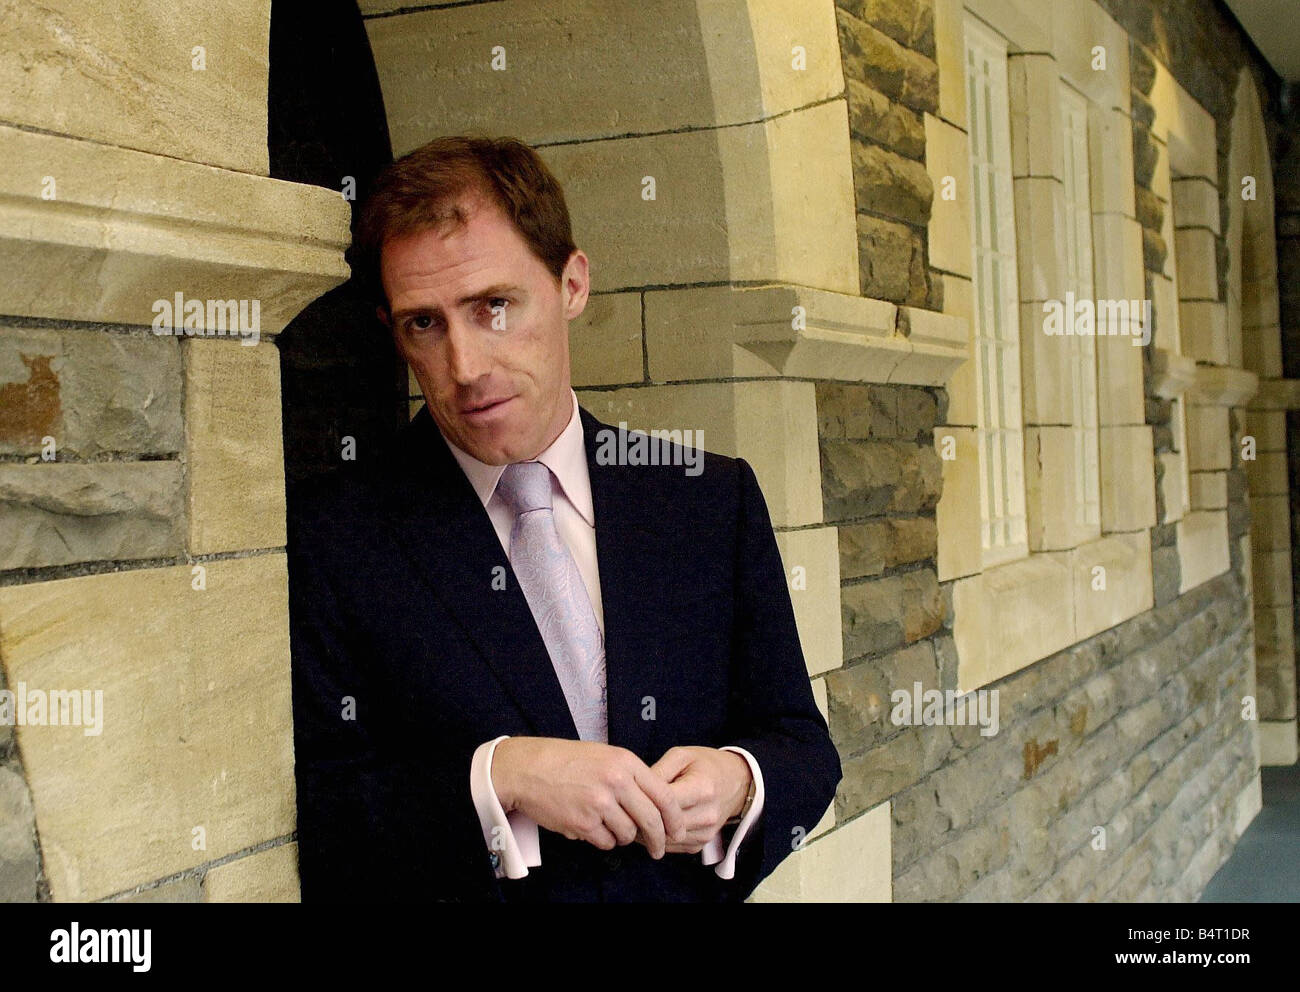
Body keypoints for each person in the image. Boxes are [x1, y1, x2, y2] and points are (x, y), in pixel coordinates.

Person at [287, 135, 841, 902]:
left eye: (494, 307)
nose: (466, 366)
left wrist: (738, 782)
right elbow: (318, 817)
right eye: (425, 324)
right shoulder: (333, 536)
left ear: (572, 283)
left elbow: (802, 747)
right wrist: (499, 778)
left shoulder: (709, 500)